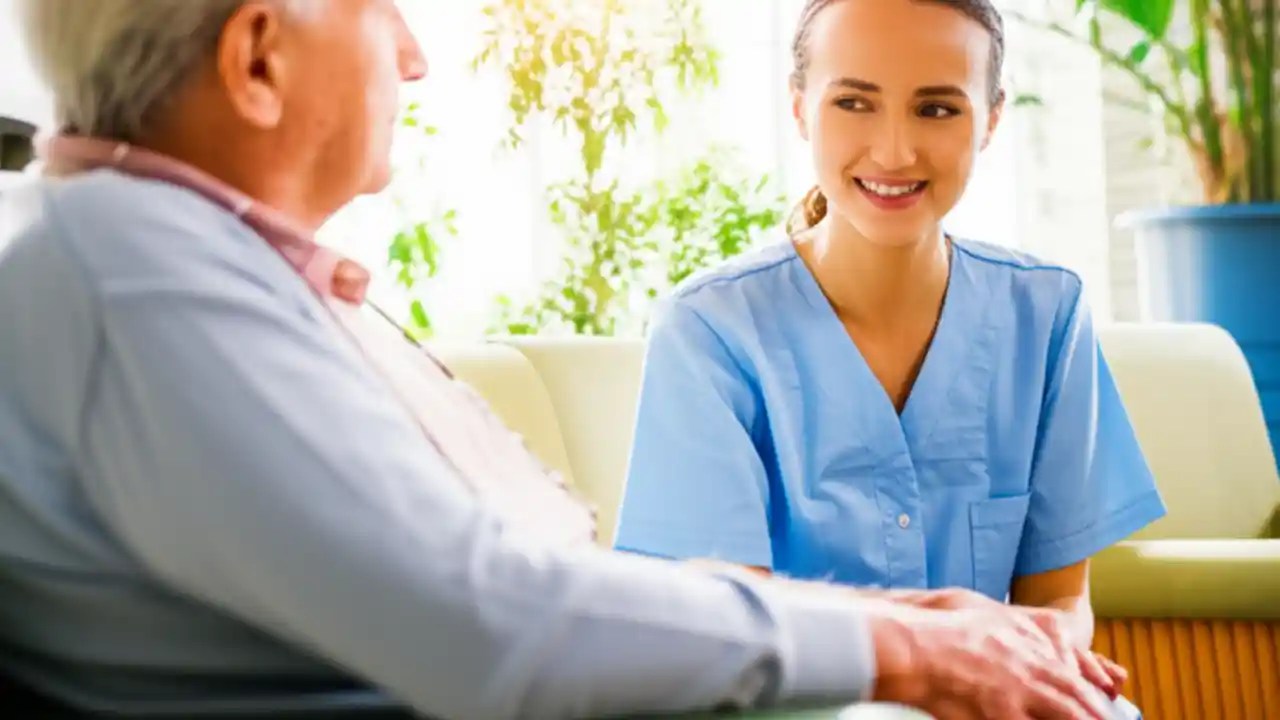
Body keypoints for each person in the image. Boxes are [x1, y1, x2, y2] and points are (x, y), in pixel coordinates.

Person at [0, 1, 1120, 719]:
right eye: (376, 9)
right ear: (256, 57)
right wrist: (895, 646)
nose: (413, 53)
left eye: (934, 105)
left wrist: (916, 633)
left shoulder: (178, 260)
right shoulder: (135, 267)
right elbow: (481, 621)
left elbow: (475, 585)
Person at [616, 0, 1166, 714]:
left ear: (991, 119)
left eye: (937, 110)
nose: (895, 151)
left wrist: (1042, 669)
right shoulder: (711, 331)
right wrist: (936, 668)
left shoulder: (1047, 315)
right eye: (853, 102)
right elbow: (731, 625)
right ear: (800, 109)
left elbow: (1059, 596)